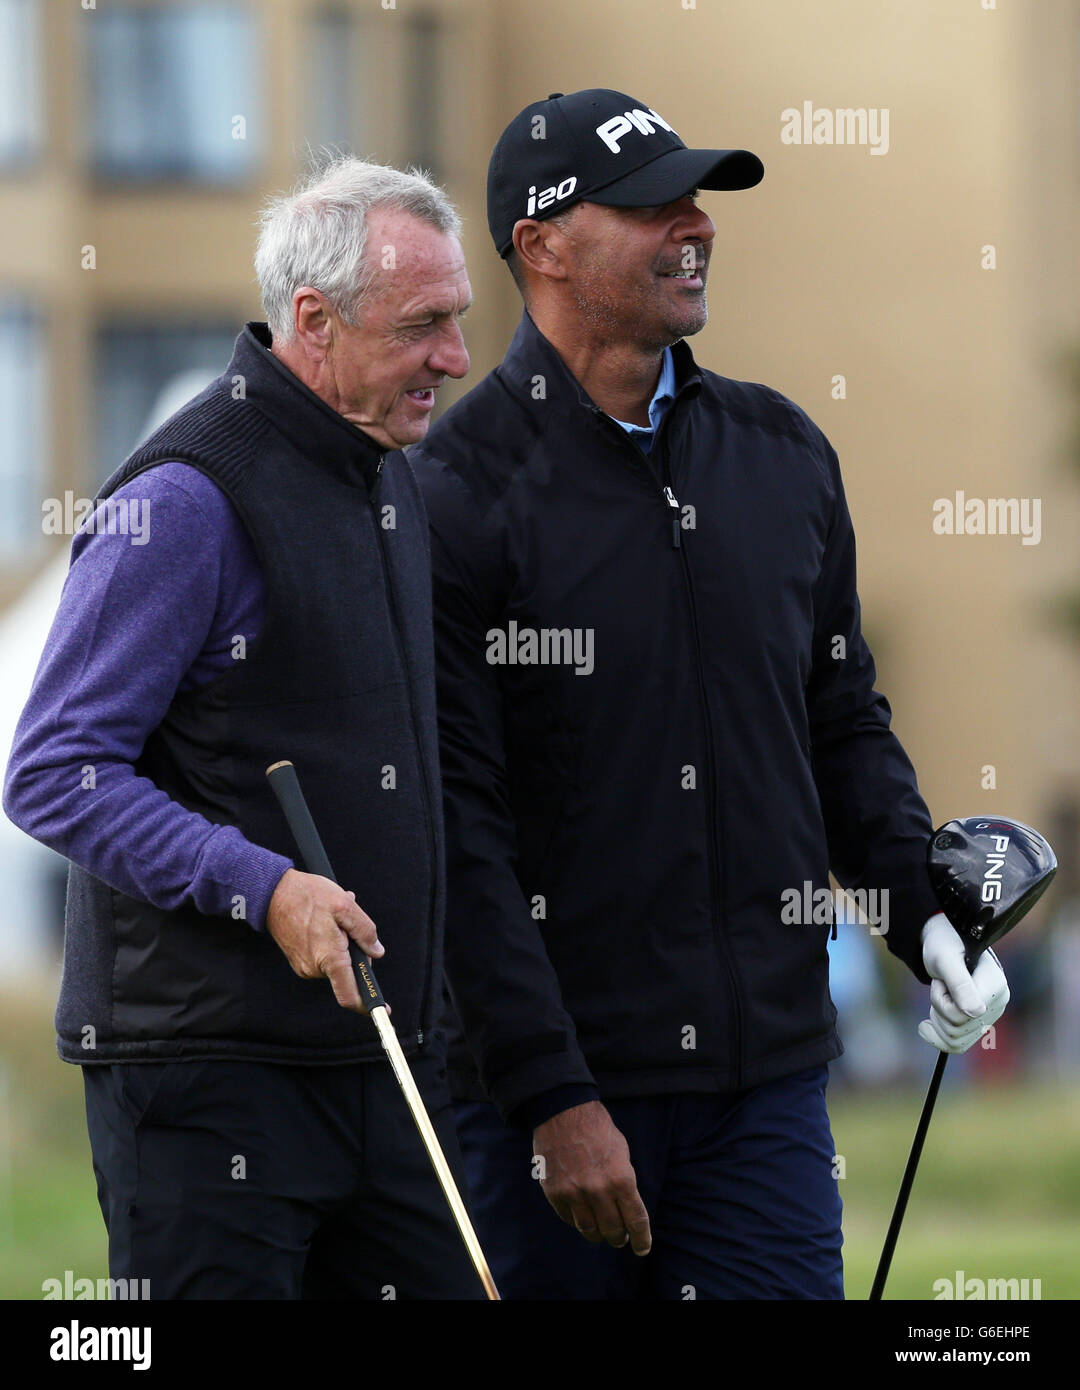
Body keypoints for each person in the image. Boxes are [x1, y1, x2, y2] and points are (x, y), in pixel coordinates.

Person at [408, 89, 1009, 1300]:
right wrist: (553, 1096)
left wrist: (925, 914)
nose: (696, 225)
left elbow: (842, 722)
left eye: (699, 199)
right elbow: (454, 832)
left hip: (765, 1095)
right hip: (544, 1114)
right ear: (543, 246)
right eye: (651, 204)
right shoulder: (448, 495)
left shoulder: (782, 454)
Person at [3, 158, 479, 1299]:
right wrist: (263, 887)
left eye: (458, 321)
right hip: (206, 1088)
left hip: (382, 1067)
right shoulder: (179, 504)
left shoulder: (388, 477)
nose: (456, 358)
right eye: (425, 325)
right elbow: (54, 772)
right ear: (313, 320)